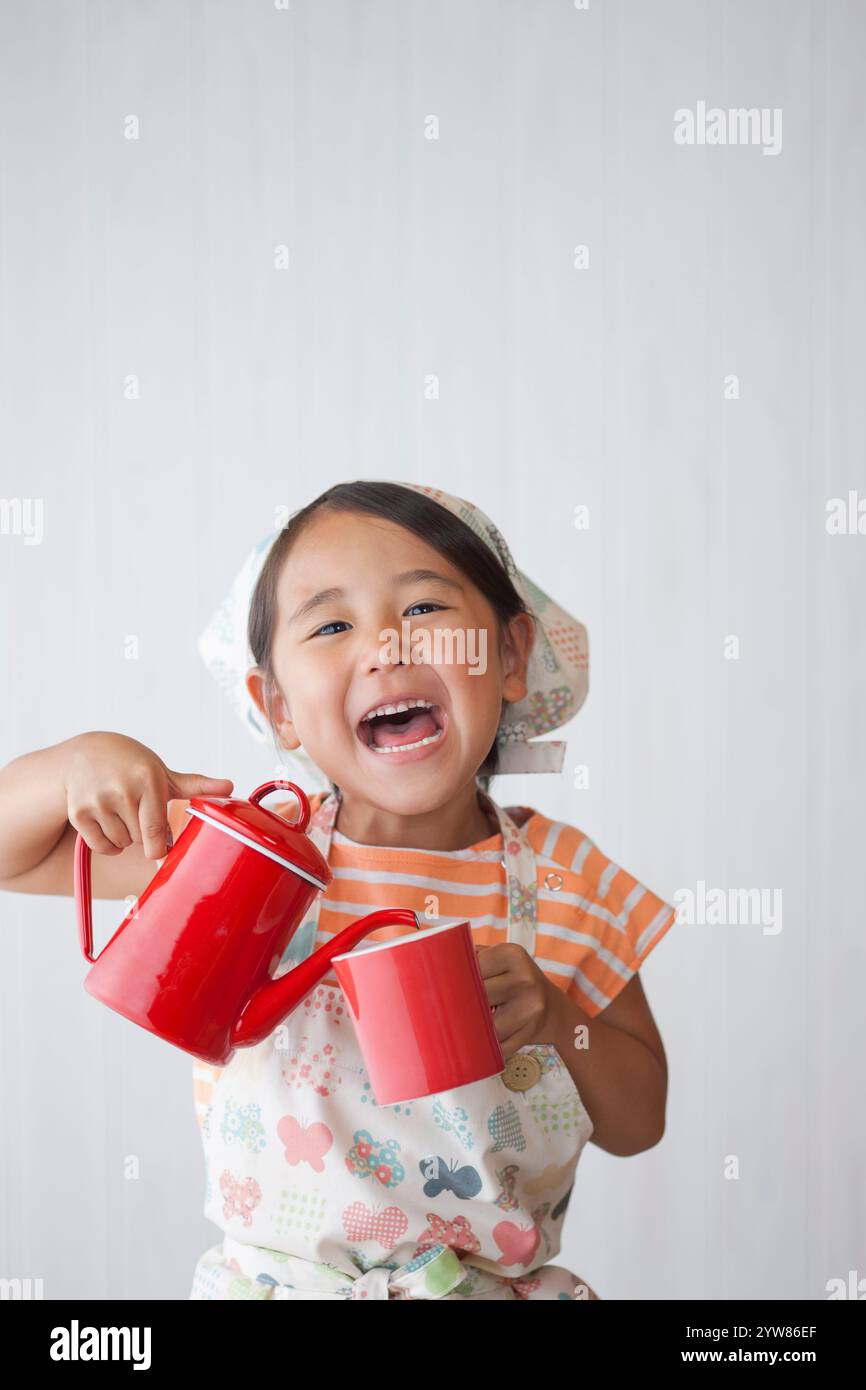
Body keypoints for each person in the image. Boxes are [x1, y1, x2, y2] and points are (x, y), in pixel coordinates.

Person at [0, 480, 676, 1301]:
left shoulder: (572, 881)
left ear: (508, 656)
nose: (385, 646)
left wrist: (558, 1021)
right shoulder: (246, 859)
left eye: (424, 609)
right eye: (331, 625)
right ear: (278, 708)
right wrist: (76, 761)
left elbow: (641, 1124)